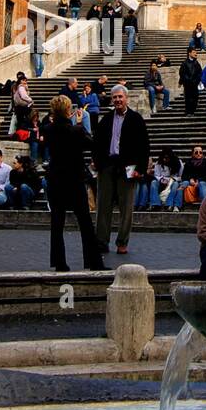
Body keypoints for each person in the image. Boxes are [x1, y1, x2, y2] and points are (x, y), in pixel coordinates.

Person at [42, 95, 106, 271]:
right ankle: (94, 262)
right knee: (85, 222)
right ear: (68, 110)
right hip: (74, 179)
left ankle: (59, 262)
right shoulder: (76, 131)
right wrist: (79, 124)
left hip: (55, 179)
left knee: (57, 222)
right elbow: (92, 144)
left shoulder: (47, 129)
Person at [92, 85, 149, 256]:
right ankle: (102, 241)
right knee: (103, 206)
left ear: (126, 98)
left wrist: (141, 169)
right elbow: (97, 141)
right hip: (107, 165)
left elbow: (144, 146)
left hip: (128, 166)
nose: (117, 100)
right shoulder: (107, 119)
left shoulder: (136, 118)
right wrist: (96, 160)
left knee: (127, 207)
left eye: (120, 97)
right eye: (114, 97)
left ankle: (122, 242)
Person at [173, 145, 206, 209]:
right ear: (192, 154)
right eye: (196, 152)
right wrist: (190, 179)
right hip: (191, 184)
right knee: (184, 183)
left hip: (204, 185)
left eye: (200, 152)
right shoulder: (188, 163)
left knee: (202, 183)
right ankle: (177, 205)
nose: (198, 154)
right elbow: (184, 176)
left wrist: (199, 181)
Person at [179, 49, 202, 116]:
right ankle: (188, 111)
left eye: (196, 52)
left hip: (195, 84)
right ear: (189, 53)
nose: (195, 54)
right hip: (187, 84)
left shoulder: (196, 63)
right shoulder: (184, 63)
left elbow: (199, 73)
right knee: (188, 98)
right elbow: (182, 73)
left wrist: (196, 80)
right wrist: (187, 80)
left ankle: (192, 111)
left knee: (195, 97)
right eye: (194, 52)